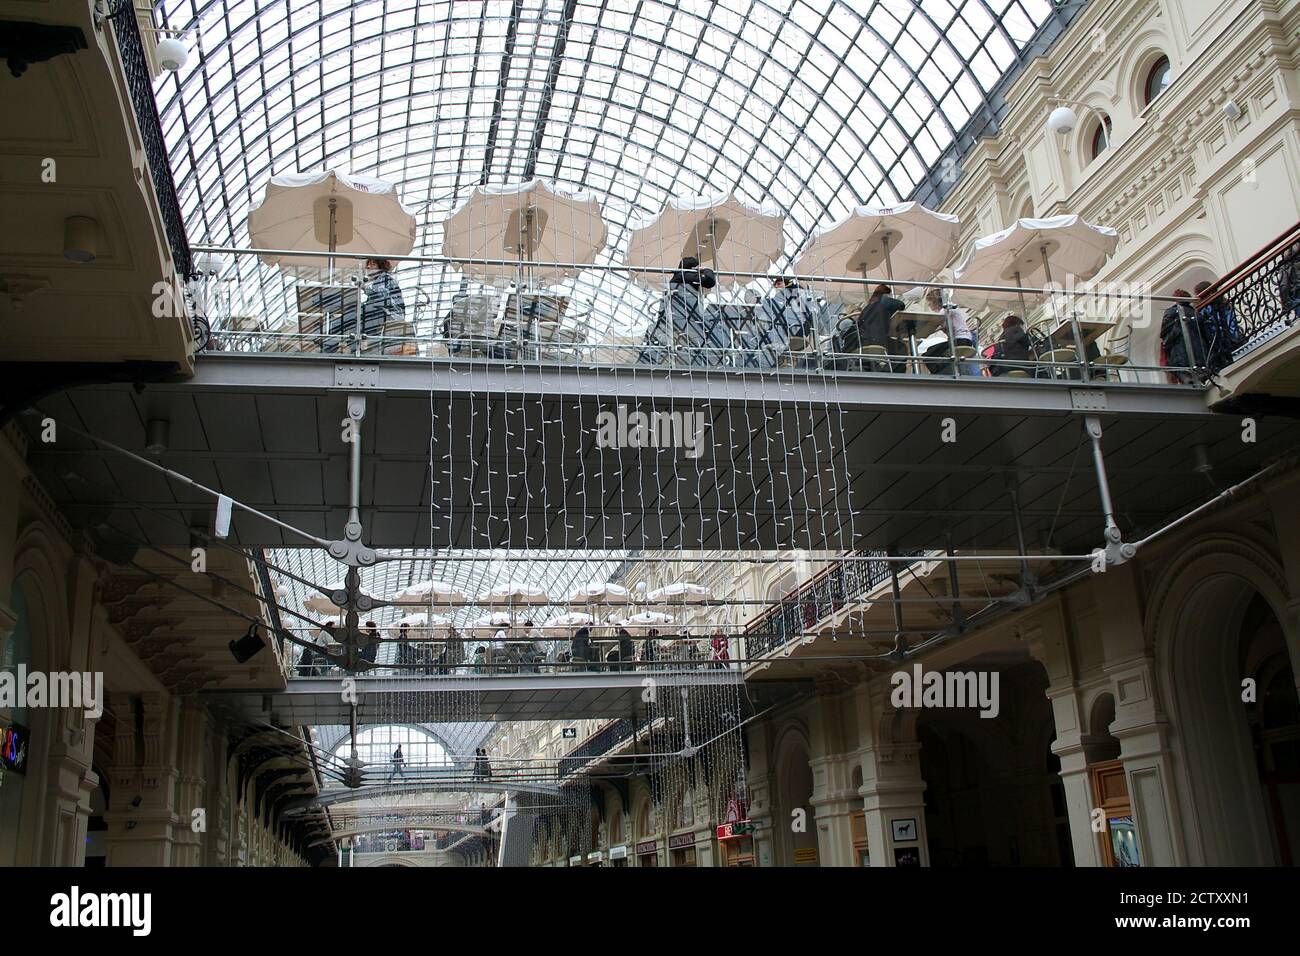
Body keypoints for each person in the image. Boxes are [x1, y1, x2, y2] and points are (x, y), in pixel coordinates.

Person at [917, 287, 974, 375]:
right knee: (931, 352)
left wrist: (921, 331)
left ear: (935, 301)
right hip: (964, 339)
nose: (929, 305)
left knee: (928, 354)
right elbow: (935, 327)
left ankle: (938, 373)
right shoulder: (948, 310)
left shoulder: (946, 309)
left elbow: (934, 323)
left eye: (930, 302)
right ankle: (941, 371)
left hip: (959, 340)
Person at [853, 284, 908, 370]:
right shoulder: (884, 301)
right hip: (878, 340)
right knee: (901, 347)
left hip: (863, 342)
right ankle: (893, 372)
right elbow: (901, 305)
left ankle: (878, 369)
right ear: (885, 294)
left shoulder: (866, 309)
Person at [1159, 288, 1207, 384]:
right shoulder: (1194, 312)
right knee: (1194, 366)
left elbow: (1164, 331)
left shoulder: (1174, 311)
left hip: (1181, 347)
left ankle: (1190, 380)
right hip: (1194, 347)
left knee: (1185, 368)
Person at [1195, 280, 1240, 373]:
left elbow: (1216, 325)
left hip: (1222, 344)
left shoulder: (1208, 308)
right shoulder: (1223, 303)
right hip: (1230, 340)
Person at [359, 258, 405, 347]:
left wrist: (365, 288)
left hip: (390, 315)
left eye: (373, 264)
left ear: (381, 266)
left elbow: (383, 295)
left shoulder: (386, 278)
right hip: (381, 314)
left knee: (358, 314)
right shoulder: (377, 281)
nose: (368, 267)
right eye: (368, 265)